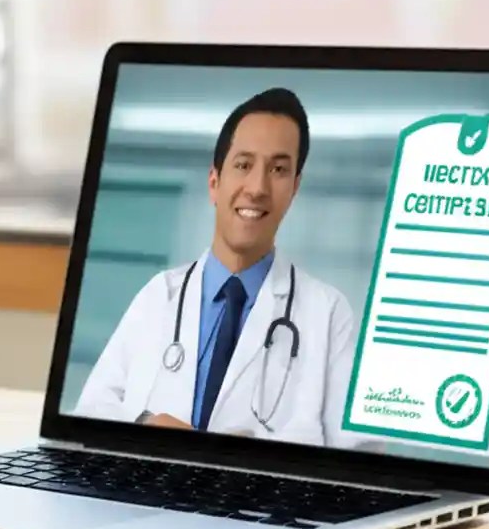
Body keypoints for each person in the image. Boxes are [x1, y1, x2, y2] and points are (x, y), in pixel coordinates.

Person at [75, 88, 363, 448]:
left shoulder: (328, 313)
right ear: (215, 182)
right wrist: (145, 423)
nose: (257, 188)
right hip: (147, 495)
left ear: (294, 188)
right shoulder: (159, 295)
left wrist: (262, 462)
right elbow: (88, 418)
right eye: (243, 165)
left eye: (278, 169)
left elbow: (359, 462)